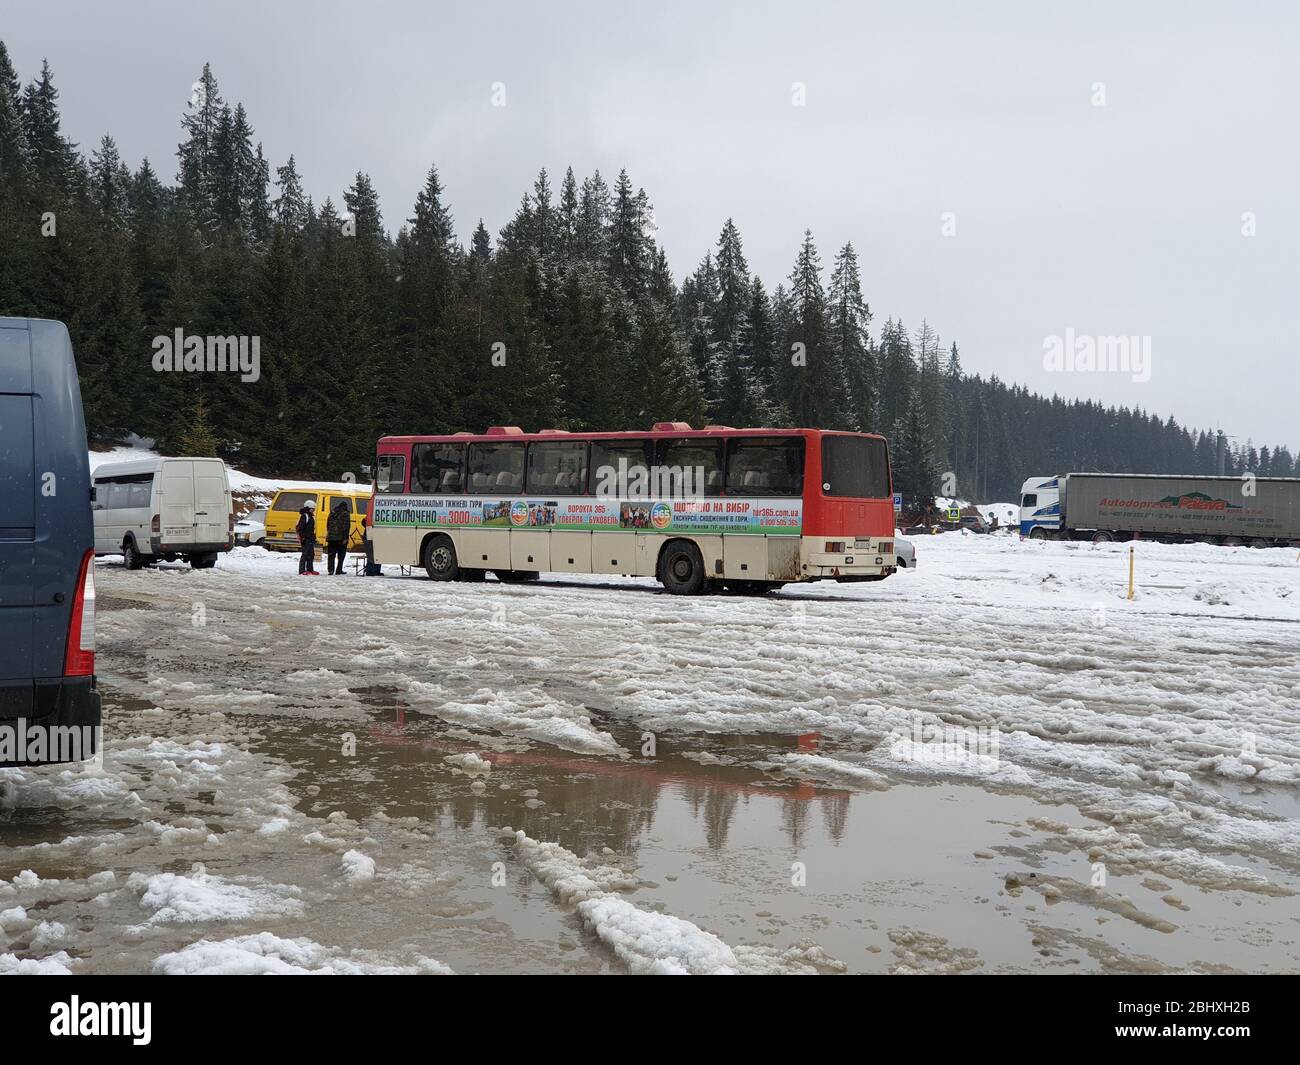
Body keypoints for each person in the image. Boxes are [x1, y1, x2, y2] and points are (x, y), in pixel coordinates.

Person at [326, 501, 350, 575]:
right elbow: (346, 527)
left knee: (331, 555)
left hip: (331, 538)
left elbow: (328, 524)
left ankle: (330, 570)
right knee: (341, 555)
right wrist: (345, 538)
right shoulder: (345, 514)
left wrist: (330, 533)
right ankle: (338, 570)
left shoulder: (332, 513)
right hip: (341, 538)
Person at [296, 499, 318, 575]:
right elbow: (300, 528)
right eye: (312, 509)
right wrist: (303, 538)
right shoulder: (304, 516)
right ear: (308, 508)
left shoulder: (310, 516)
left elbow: (311, 529)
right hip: (306, 539)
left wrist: (314, 538)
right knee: (305, 554)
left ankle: (310, 569)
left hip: (310, 538)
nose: (313, 510)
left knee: (311, 554)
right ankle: (302, 571)